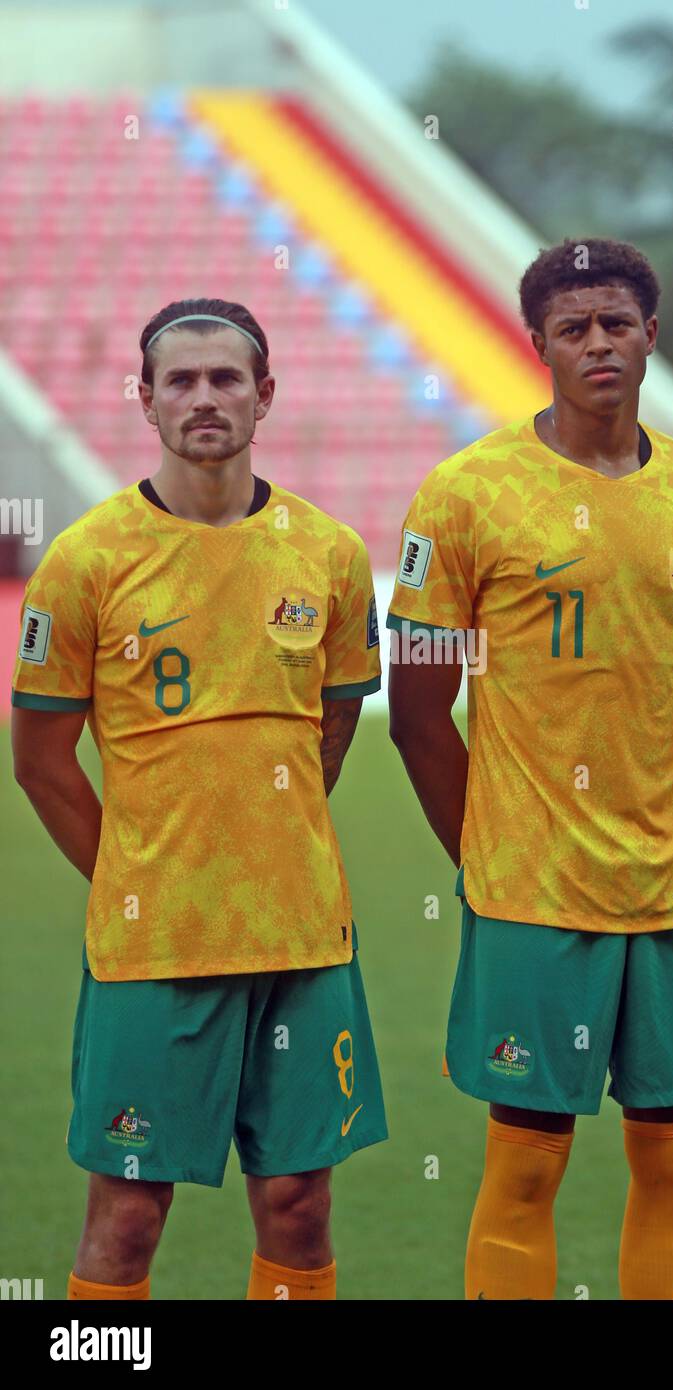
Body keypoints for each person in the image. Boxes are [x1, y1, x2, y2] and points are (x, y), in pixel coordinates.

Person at [387, 239, 673, 1300]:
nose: (596, 342)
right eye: (572, 327)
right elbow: (415, 712)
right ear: (539, 344)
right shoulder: (465, 494)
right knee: (524, 1161)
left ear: (650, 333)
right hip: (531, 892)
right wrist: (488, 851)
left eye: (614, 322)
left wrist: (666, 805)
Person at [11, 298, 387, 1301]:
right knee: (127, 1217)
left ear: (265, 396)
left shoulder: (331, 554)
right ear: (144, 399)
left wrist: (268, 843)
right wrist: (138, 872)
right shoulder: (86, 561)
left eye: (227, 378)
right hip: (156, 945)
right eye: (180, 380)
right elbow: (42, 759)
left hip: (303, 936)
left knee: (300, 1204)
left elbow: (332, 729)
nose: (204, 397)